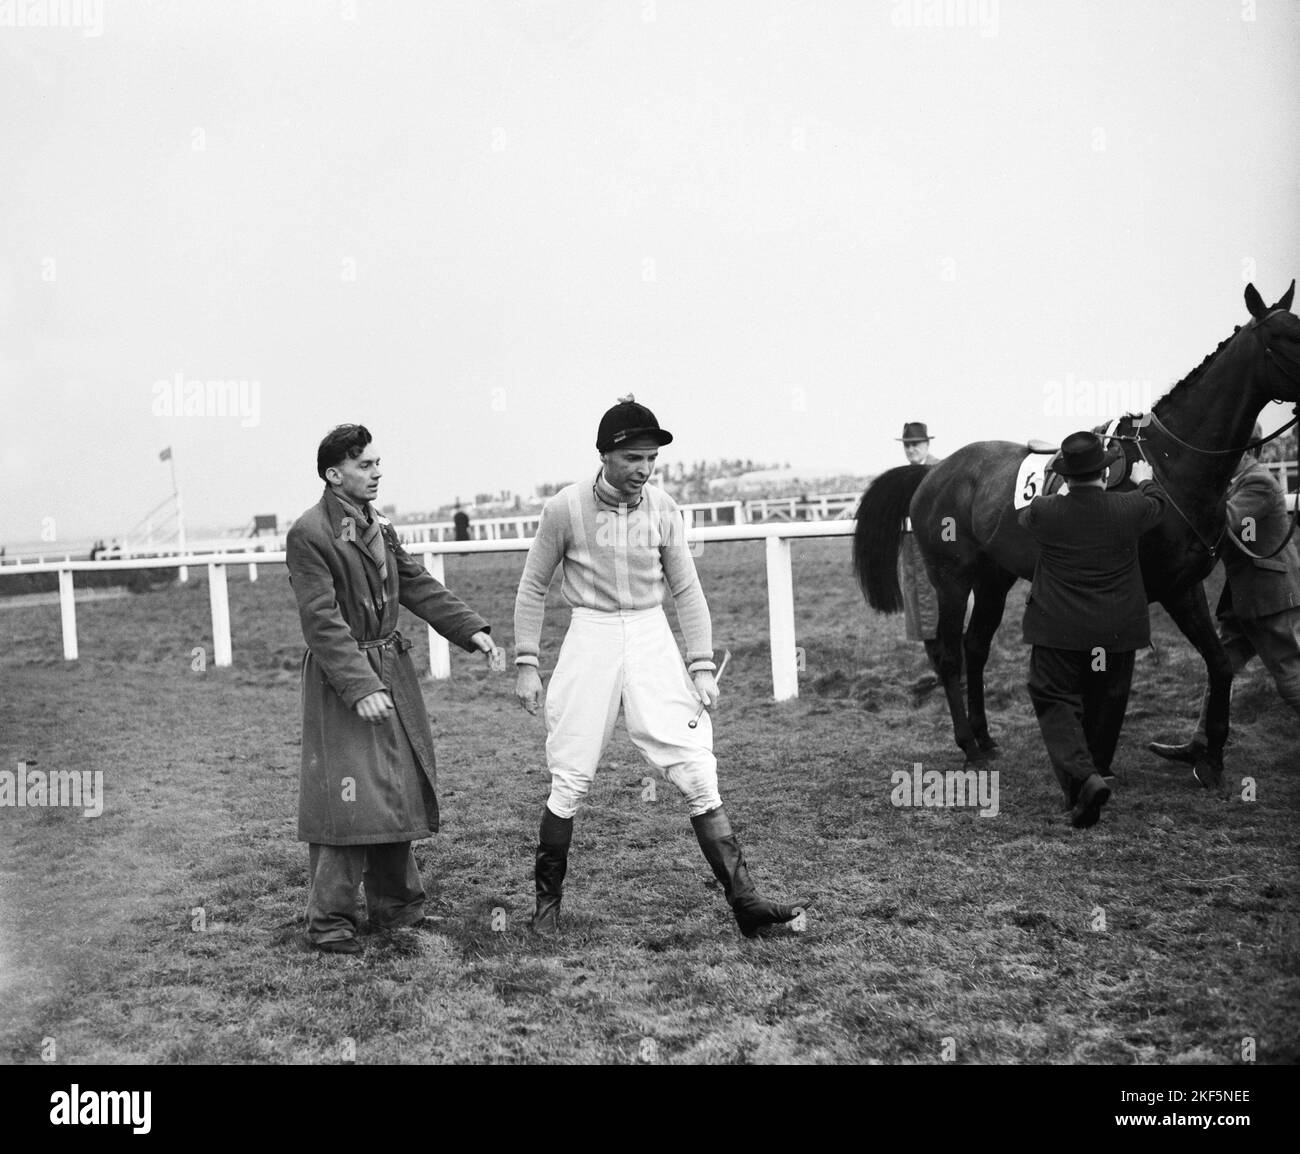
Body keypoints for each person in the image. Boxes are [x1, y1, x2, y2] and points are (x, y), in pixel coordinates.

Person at [513, 396, 809, 938]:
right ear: (606, 455)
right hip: (591, 636)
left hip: (651, 636)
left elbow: (687, 589)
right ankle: (546, 910)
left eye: (652, 460)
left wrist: (700, 665)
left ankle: (747, 905)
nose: (644, 471)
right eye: (634, 460)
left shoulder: (663, 507)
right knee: (571, 774)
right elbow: (533, 585)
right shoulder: (565, 508)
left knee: (698, 767)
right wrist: (527, 662)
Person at [286, 424, 501, 955]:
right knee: (347, 798)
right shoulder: (309, 533)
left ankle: (398, 908)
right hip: (343, 684)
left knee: (394, 787)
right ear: (334, 474)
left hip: (391, 672)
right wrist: (359, 685)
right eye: (365, 465)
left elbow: (418, 583)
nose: (377, 472)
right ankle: (330, 921)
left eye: (378, 463)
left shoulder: (378, 524)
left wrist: (471, 631)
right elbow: (321, 621)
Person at [1019, 431, 1169, 828]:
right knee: (1107, 701)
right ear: (1105, 473)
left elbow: (1023, 513)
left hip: (1059, 631)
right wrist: (1145, 479)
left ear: (1065, 478)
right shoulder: (1130, 508)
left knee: (1054, 700)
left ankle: (1084, 781)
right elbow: (1158, 503)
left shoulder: (1045, 512)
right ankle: (1094, 777)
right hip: (1117, 633)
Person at [1149, 427, 1300, 764]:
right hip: (1245, 597)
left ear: (1242, 450)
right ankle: (1202, 743)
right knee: (1221, 669)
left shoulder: (1258, 482)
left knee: (1290, 675)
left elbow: (1225, 520)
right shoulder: (1240, 481)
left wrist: (1184, 492)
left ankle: (1202, 742)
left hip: (1268, 597)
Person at [896, 422, 942, 643]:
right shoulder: (902, 476)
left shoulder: (941, 470)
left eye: (915, 444)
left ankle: (958, 676)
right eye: (907, 445)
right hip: (911, 554)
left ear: (926, 444)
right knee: (923, 621)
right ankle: (941, 675)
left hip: (936, 551)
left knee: (949, 615)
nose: (911, 449)